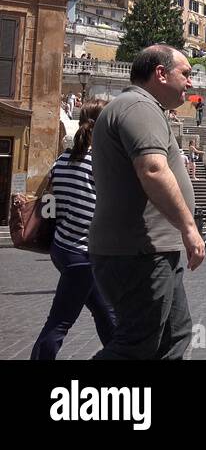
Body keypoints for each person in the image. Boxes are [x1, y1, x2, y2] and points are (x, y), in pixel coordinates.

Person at [87, 45, 205, 360]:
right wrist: (189, 227)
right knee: (137, 345)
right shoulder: (139, 107)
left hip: (148, 250)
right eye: (186, 74)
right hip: (138, 252)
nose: (190, 83)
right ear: (160, 74)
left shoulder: (138, 107)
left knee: (174, 337)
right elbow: (153, 170)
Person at [31, 100, 117, 360]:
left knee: (106, 313)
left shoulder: (62, 159)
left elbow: (56, 202)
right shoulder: (100, 163)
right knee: (59, 322)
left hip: (63, 246)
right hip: (83, 254)